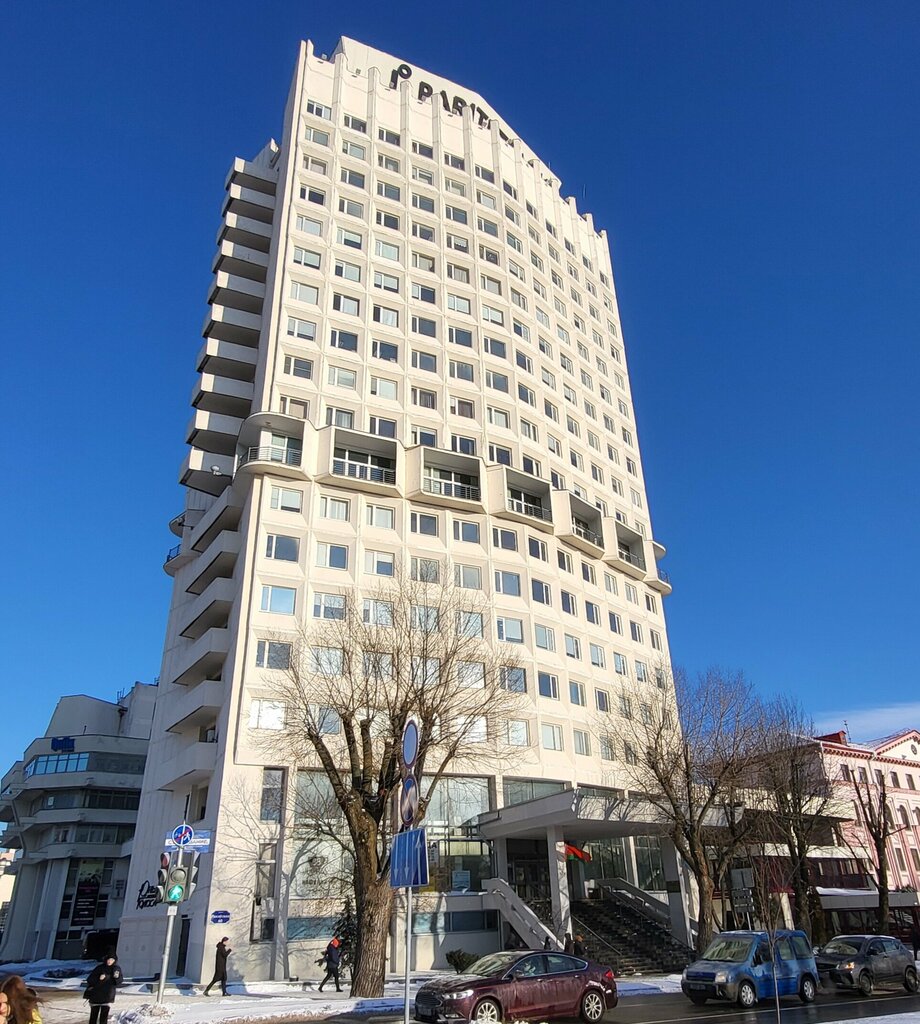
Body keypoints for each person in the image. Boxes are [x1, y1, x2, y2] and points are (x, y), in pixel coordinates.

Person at [83, 952, 122, 1024]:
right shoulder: (99, 968)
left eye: (112, 960)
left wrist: (114, 978)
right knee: (93, 1016)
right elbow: (90, 979)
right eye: (108, 959)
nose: (110, 961)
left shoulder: (116, 969)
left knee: (104, 1017)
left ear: (115, 961)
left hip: (107, 995)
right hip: (96, 996)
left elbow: (119, 981)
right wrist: (99, 978)